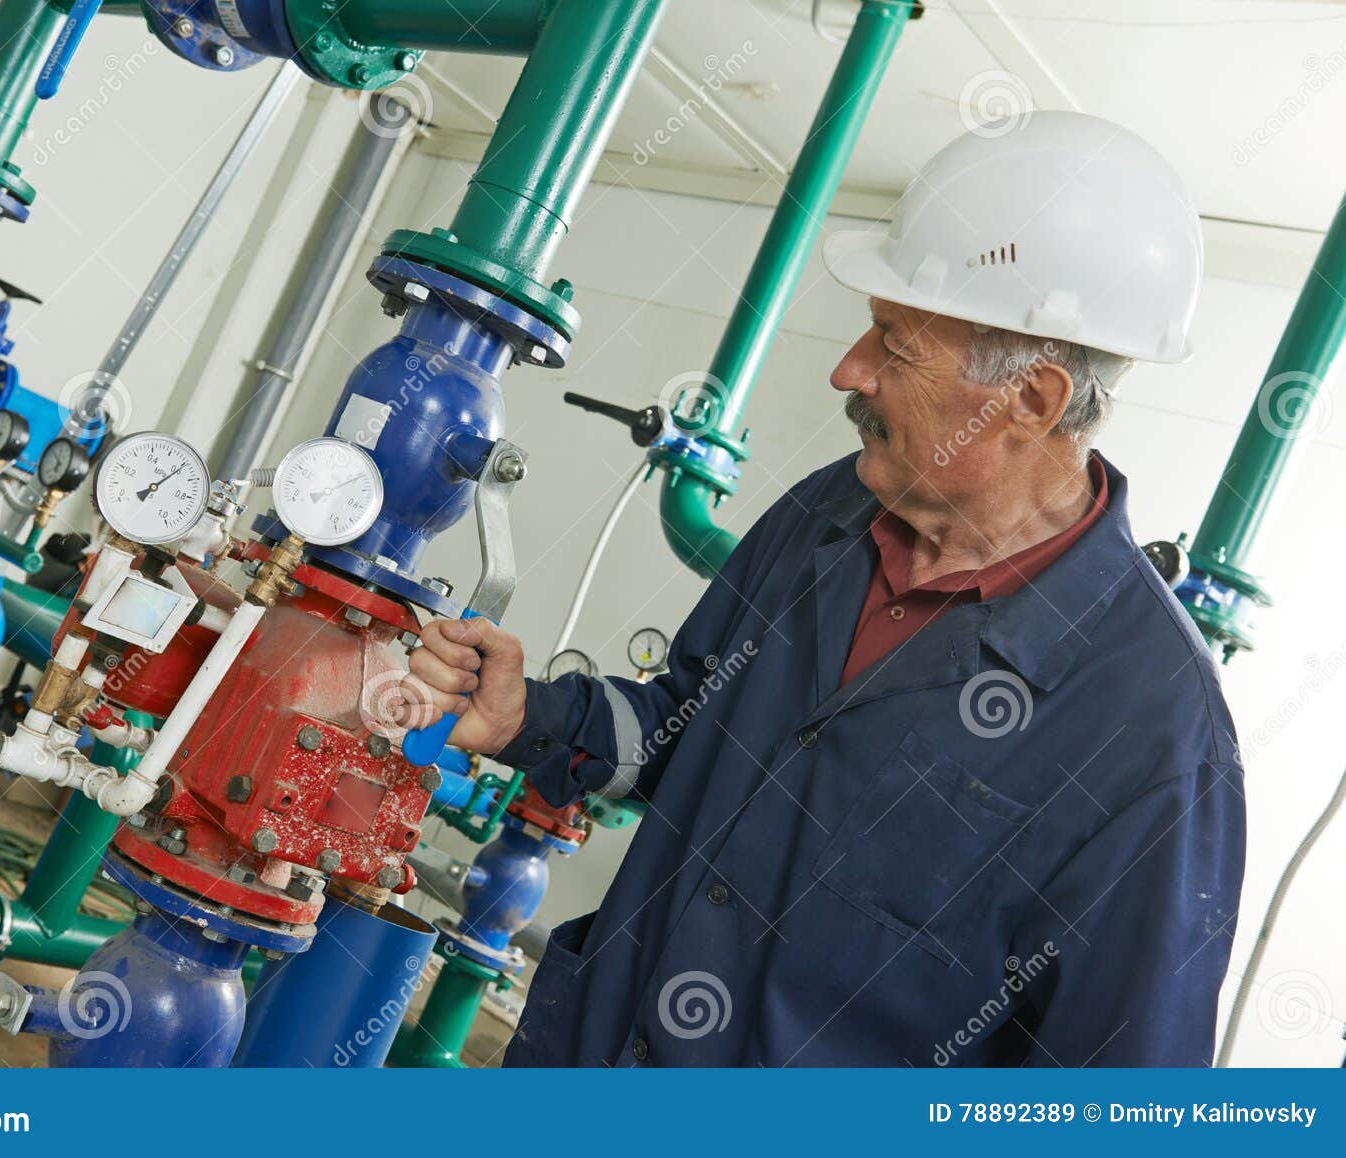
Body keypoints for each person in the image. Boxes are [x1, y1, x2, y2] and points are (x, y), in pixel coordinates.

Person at [390, 112, 1245, 1067]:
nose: (850, 370)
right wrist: (531, 719)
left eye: (895, 344)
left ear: (1032, 399)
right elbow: (687, 730)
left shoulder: (1156, 729)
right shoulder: (832, 510)